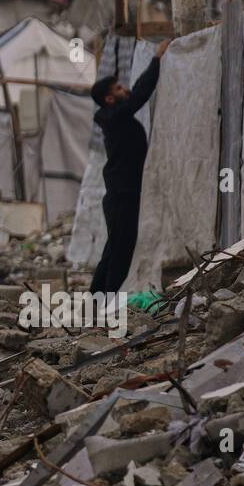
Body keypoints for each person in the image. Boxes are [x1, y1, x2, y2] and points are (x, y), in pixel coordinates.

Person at [88, 38, 171, 294]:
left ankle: (96, 300)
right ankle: (108, 306)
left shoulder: (115, 117)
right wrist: (156, 59)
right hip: (123, 196)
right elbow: (140, 94)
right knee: (121, 253)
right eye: (118, 88)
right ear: (110, 98)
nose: (124, 89)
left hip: (121, 195)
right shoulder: (116, 118)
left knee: (114, 250)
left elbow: (134, 95)